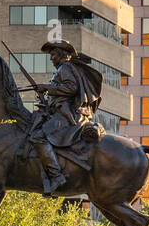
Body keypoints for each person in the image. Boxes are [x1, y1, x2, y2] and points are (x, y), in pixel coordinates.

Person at [25, 41, 103, 194]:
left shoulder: (65, 68)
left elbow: (71, 88)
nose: (51, 58)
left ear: (61, 55)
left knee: (38, 137)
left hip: (68, 116)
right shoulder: (64, 68)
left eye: (53, 55)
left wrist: (47, 87)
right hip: (61, 112)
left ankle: (56, 176)